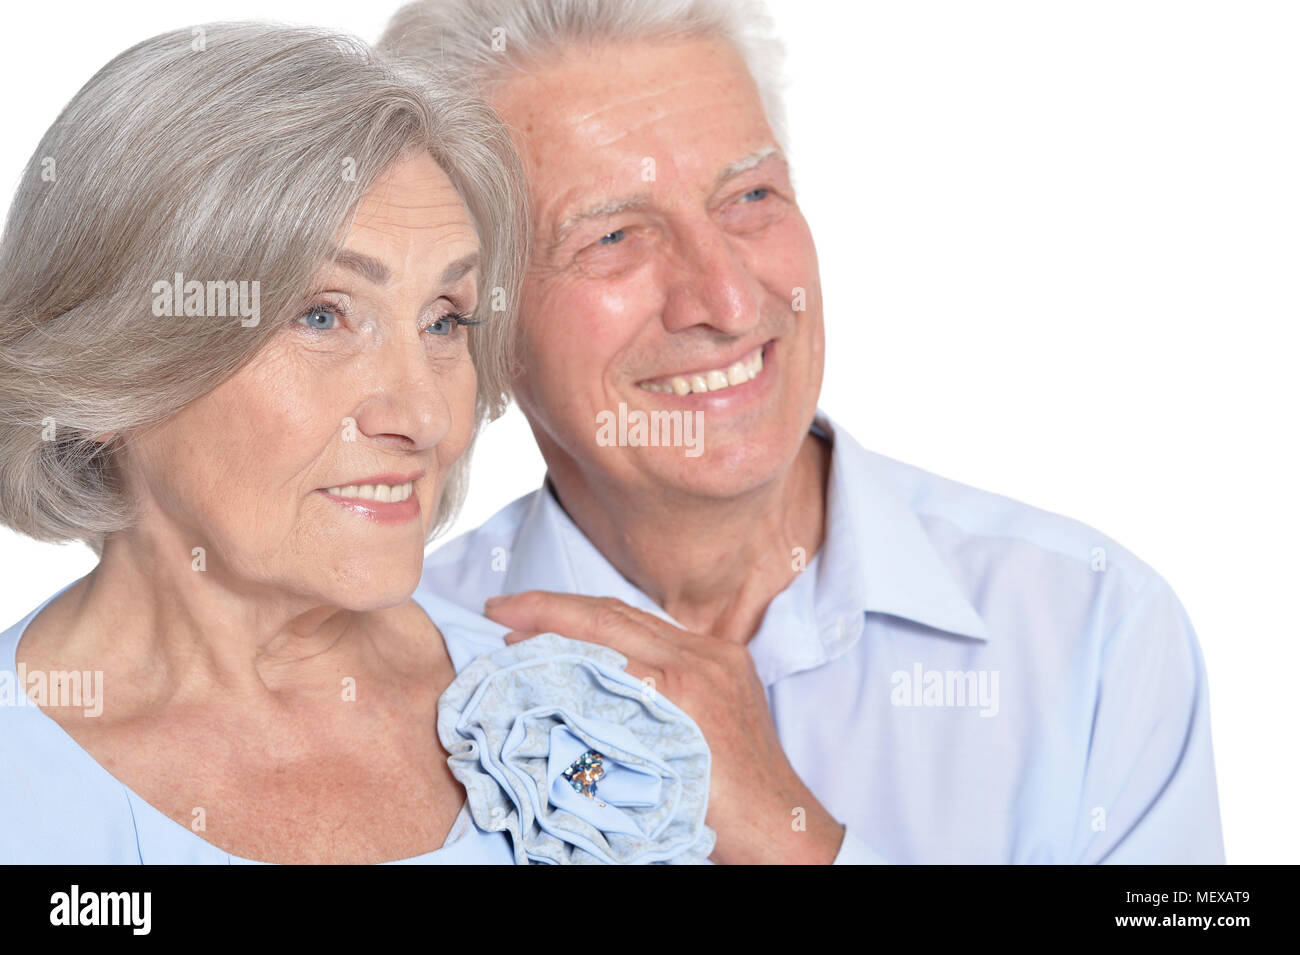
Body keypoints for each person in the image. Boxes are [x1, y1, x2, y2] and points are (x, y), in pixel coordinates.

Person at [383, 0, 1227, 864]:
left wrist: (789, 836)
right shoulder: (382, 673)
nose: (730, 300)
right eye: (614, 235)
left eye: (750, 197)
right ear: (473, 313)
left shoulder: (1096, 631)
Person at [0, 21, 530, 864]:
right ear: (107, 371)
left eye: (444, 319)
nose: (426, 419)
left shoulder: (563, 723)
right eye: (321, 315)